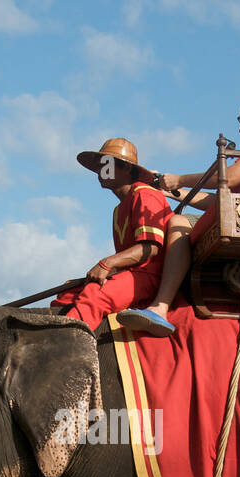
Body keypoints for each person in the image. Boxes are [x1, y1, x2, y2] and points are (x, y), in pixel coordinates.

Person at [119, 93, 240, 335]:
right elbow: (218, 202)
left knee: (177, 222)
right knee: (181, 219)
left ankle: (161, 306)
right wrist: (171, 191)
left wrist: (179, 178)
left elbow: (227, 178)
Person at [52, 137, 175, 335]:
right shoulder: (118, 209)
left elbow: (150, 248)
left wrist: (106, 264)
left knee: (95, 296)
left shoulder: (145, 194)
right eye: (99, 166)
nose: (100, 171)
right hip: (131, 274)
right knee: (66, 295)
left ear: (126, 168)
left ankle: (64, 343)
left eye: (106, 164)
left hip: (150, 276)